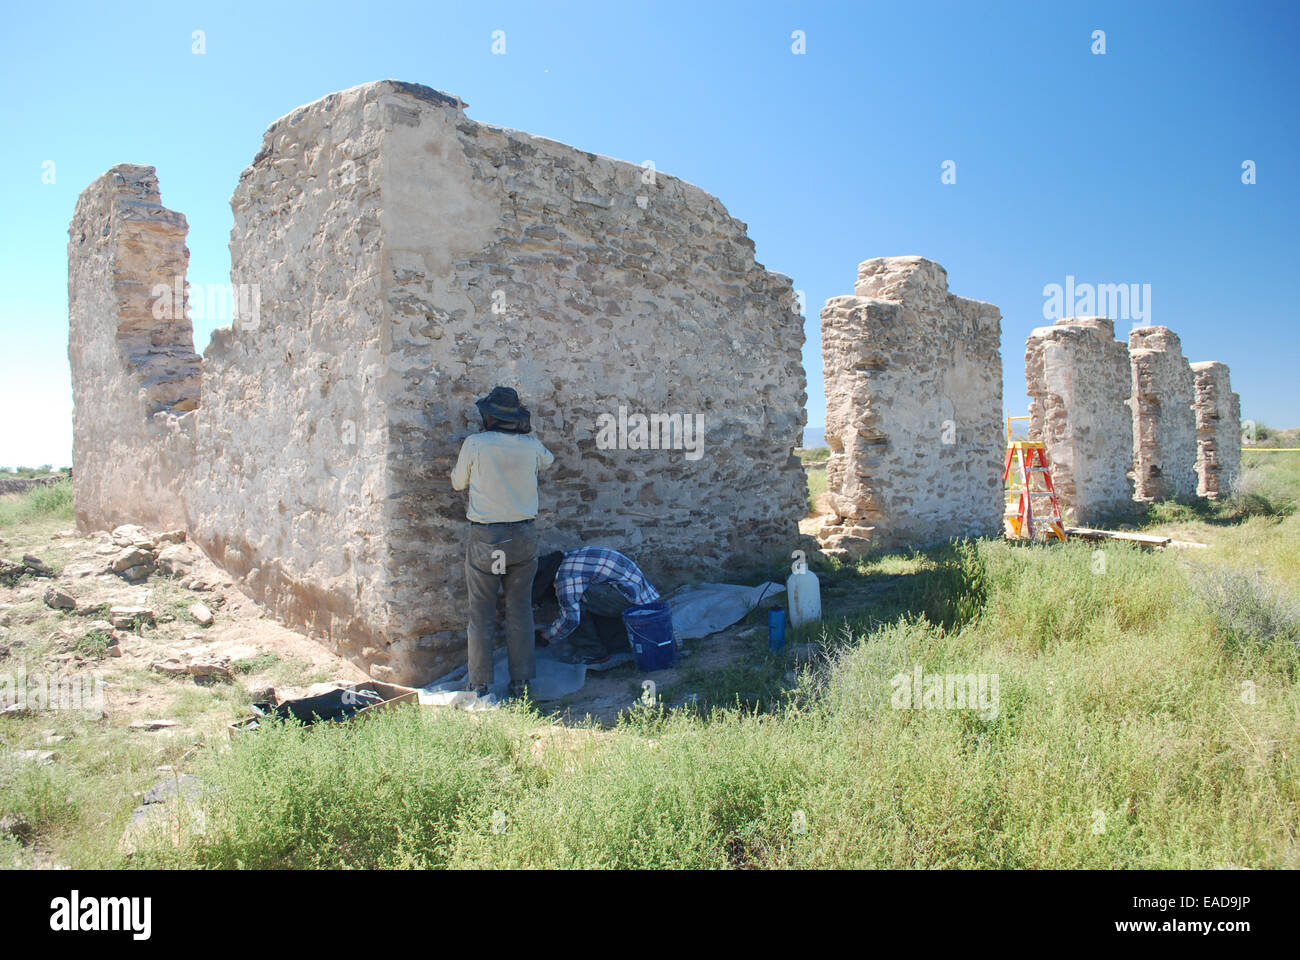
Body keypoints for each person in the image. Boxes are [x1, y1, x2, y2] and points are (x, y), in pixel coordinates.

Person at [451, 387, 554, 698]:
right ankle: (521, 683)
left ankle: (479, 684)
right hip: (523, 537)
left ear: (490, 416)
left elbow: (458, 483)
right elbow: (546, 463)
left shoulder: (475, 444)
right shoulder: (531, 445)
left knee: (481, 611)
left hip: (489, 538)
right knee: (520, 608)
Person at [534, 546, 660, 668]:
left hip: (631, 601)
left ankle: (592, 653)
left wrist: (545, 637)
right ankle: (607, 644)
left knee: (572, 604)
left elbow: (571, 619)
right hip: (637, 594)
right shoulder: (569, 557)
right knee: (573, 599)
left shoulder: (565, 578)